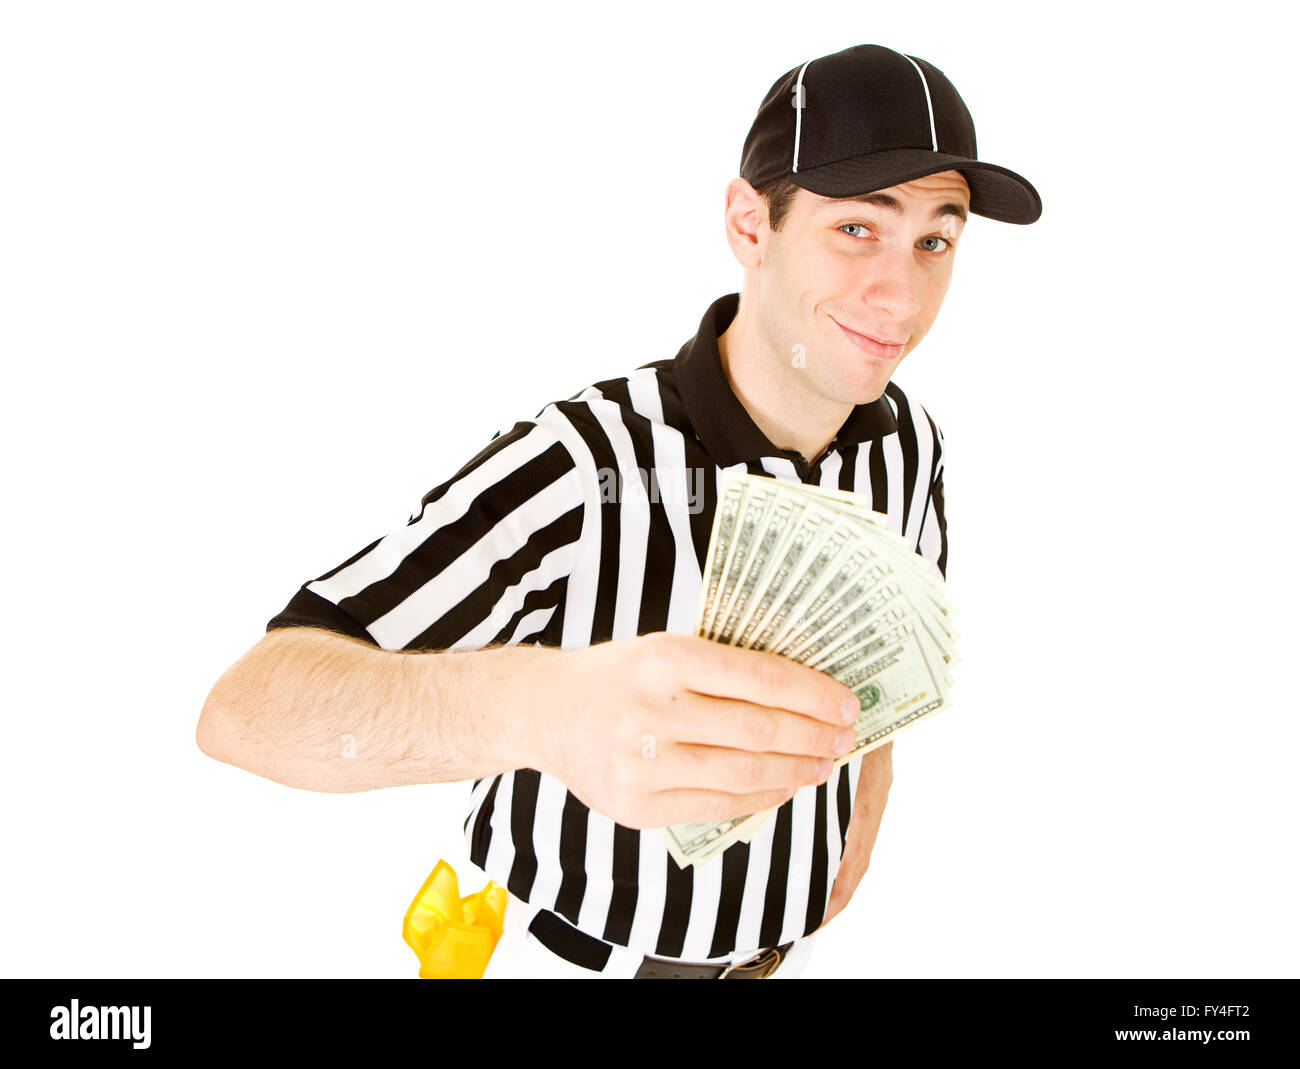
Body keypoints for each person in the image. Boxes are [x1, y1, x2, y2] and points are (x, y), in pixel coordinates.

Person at [196, 42, 1040, 979]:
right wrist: (538, 707)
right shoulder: (582, 462)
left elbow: (886, 658)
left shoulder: (909, 446)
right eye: (857, 230)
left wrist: (868, 780)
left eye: (937, 239)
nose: (901, 294)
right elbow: (249, 707)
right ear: (750, 225)